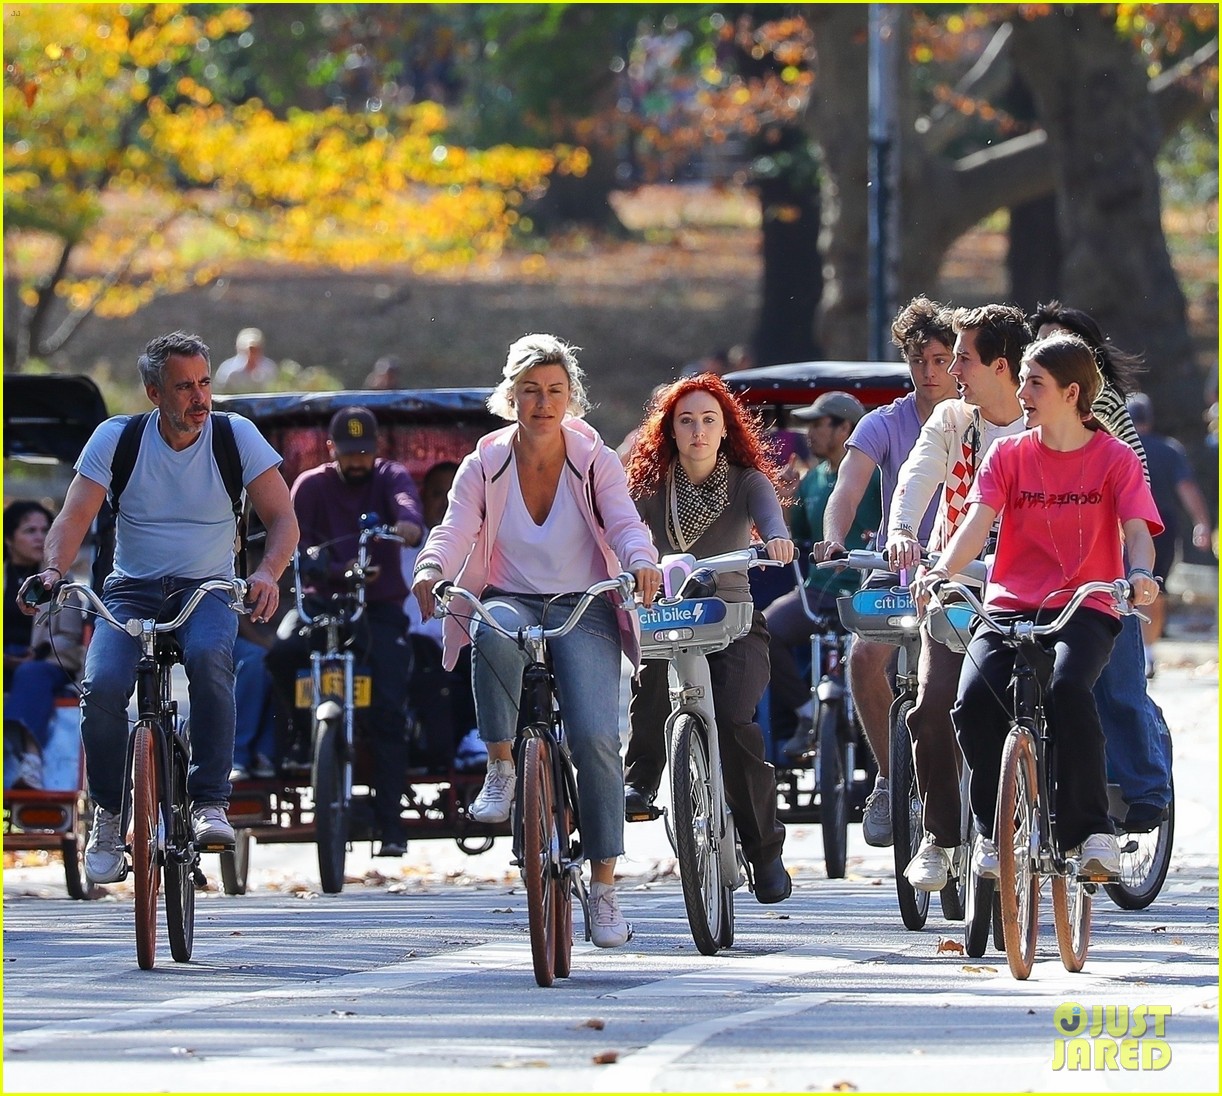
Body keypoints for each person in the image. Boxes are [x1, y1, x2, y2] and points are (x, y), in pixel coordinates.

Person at [17, 331, 298, 884]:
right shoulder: (116, 440)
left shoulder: (234, 437)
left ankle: (209, 801)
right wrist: (52, 571)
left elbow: (283, 519)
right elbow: (73, 518)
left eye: (204, 384)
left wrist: (267, 573)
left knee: (214, 661)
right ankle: (107, 814)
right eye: (183, 387)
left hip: (209, 588)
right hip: (130, 590)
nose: (199, 398)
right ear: (153, 393)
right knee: (101, 687)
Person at [411, 334, 661, 948]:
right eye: (530, 391)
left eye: (554, 391)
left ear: (570, 397)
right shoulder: (485, 461)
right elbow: (454, 528)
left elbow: (624, 522)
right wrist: (429, 567)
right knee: (490, 628)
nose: (543, 403)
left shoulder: (593, 456)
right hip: (512, 596)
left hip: (585, 601)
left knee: (598, 737)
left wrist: (642, 560)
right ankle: (501, 766)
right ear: (511, 397)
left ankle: (603, 885)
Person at [911, 332, 1162, 879]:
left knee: (1071, 690)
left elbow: (1137, 532)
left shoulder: (1114, 459)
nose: (1021, 392)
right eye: (1022, 379)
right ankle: (989, 832)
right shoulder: (1008, 454)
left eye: (1034, 383)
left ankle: (1092, 833)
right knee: (972, 702)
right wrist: (940, 571)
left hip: (1086, 603)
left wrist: (1138, 574)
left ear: (1071, 393)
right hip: (1009, 604)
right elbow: (974, 528)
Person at [622, 373, 796, 904]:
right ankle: (643, 779)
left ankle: (764, 851)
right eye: (686, 421)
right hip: (668, 618)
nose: (697, 431)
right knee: (651, 673)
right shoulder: (650, 486)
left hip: (733, 620)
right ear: (669, 431)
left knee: (735, 724)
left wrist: (779, 540)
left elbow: (770, 521)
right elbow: (621, 530)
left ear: (725, 430)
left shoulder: (748, 481)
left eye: (709, 421)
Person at [886, 303, 1030, 891]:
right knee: (932, 702)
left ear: (1001, 366)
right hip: (957, 586)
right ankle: (941, 836)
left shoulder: (1040, 422)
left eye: (963, 359)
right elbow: (916, 478)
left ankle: (1038, 824)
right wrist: (901, 531)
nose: (954, 372)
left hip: (1027, 593)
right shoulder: (952, 420)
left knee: (1038, 704)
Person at [811, 296, 960, 846]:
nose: (928, 371)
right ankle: (891, 776)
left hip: (964, 569)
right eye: (918, 360)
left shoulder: (978, 418)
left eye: (940, 359)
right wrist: (833, 538)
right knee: (865, 657)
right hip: (898, 566)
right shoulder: (885, 423)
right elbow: (847, 489)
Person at [1031, 302, 1177, 829]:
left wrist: (1126, 563)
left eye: (1061, 342)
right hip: (1037, 569)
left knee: (1116, 685)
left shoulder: (1105, 405)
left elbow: (1133, 486)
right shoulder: (1021, 416)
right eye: (1039, 343)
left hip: (1104, 563)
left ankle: (1147, 789)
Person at [266, 407, 424, 858]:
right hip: (320, 603)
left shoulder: (390, 477)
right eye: (349, 453)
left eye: (365, 453)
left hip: (378, 610)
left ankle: (391, 824)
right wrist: (339, 569)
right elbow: (291, 536)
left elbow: (407, 509)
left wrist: (407, 529)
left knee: (389, 706)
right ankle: (303, 737)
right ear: (331, 450)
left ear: (376, 451)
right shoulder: (311, 486)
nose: (358, 461)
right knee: (280, 655)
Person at [764, 391, 878, 756]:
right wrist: (784, 499)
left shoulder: (876, 475)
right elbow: (792, 539)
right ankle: (806, 712)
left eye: (818, 424)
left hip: (867, 592)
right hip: (819, 591)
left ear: (845, 427)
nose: (808, 432)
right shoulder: (812, 480)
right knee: (762, 631)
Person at [1126, 392, 1213, 676]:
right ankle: (1148, 654)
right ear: (1150, 418)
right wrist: (1202, 523)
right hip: (1161, 528)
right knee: (1156, 589)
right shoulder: (1169, 449)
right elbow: (1187, 489)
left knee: (1123, 588)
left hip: (1125, 528)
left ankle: (1131, 654)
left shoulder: (1119, 447)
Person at [400, 460, 478, 773]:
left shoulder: (478, 547)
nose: (445, 503)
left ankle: (479, 740)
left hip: (469, 643)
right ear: (423, 499)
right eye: (436, 495)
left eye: (452, 496)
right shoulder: (404, 549)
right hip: (416, 648)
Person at [4, 501, 86, 790]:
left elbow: (68, 636)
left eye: (44, 530)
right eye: (30, 531)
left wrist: (34, 655)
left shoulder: (57, 580)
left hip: (47, 664)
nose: (40, 537)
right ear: (9, 539)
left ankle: (31, 760)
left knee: (31, 675)